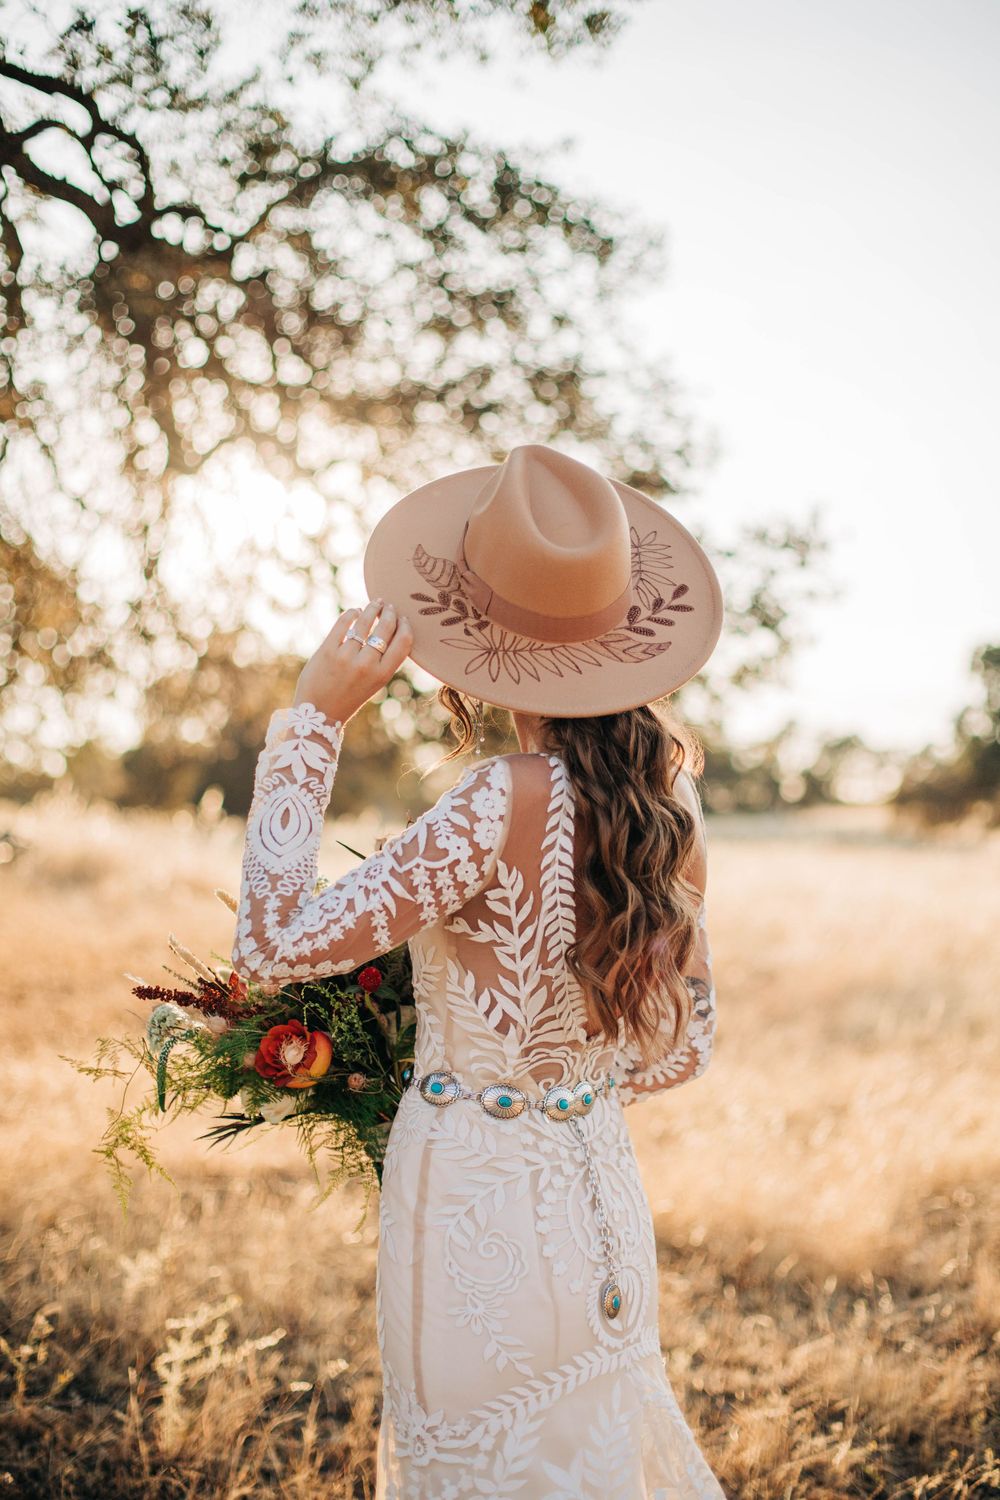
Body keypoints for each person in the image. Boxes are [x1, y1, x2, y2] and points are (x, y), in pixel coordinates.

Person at [231, 444, 728, 1498]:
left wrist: (313, 723)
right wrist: (559, 1090)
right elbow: (685, 1046)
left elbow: (272, 946)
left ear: (472, 647)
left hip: (469, 1206)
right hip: (599, 1206)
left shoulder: (496, 798)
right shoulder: (672, 811)